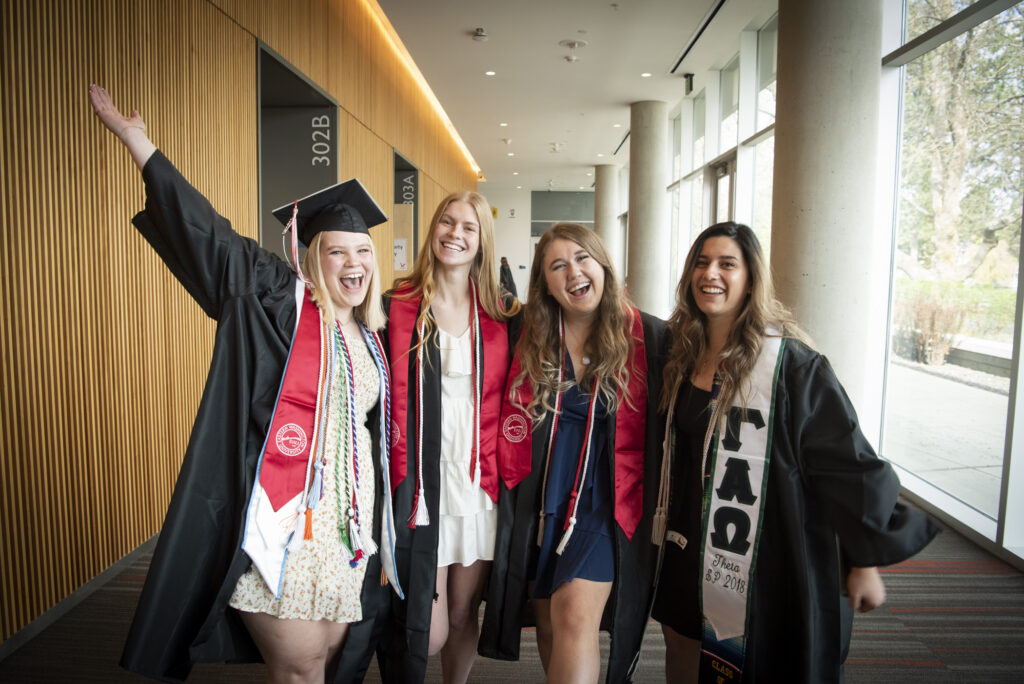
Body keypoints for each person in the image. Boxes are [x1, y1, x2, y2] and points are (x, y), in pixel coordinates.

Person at [89, 85, 403, 684]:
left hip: (346, 528)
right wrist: (140, 144)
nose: (354, 263)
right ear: (314, 259)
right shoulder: (278, 300)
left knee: (334, 664)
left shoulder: (372, 334)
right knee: (300, 666)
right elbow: (213, 237)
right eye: (337, 251)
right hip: (283, 521)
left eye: (363, 250)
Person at [650, 222, 940, 683]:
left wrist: (862, 559)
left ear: (750, 278)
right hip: (690, 536)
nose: (712, 273)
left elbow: (847, 465)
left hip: (765, 542)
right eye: (702, 263)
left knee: (758, 658)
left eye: (728, 263)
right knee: (682, 641)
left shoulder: (792, 366)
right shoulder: (681, 355)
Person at [479, 223, 668, 684]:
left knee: (573, 617)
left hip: (607, 503)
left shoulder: (650, 338)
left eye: (583, 258)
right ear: (543, 282)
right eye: (558, 265)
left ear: (603, 264)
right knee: (546, 624)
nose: (574, 272)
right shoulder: (526, 334)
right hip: (542, 503)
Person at [384, 191, 522, 683]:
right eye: (447, 222)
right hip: (423, 482)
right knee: (430, 628)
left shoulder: (504, 314)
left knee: (464, 617)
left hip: (479, 485)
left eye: (468, 227)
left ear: (482, 239)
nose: (455, 235)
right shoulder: (397, 305)